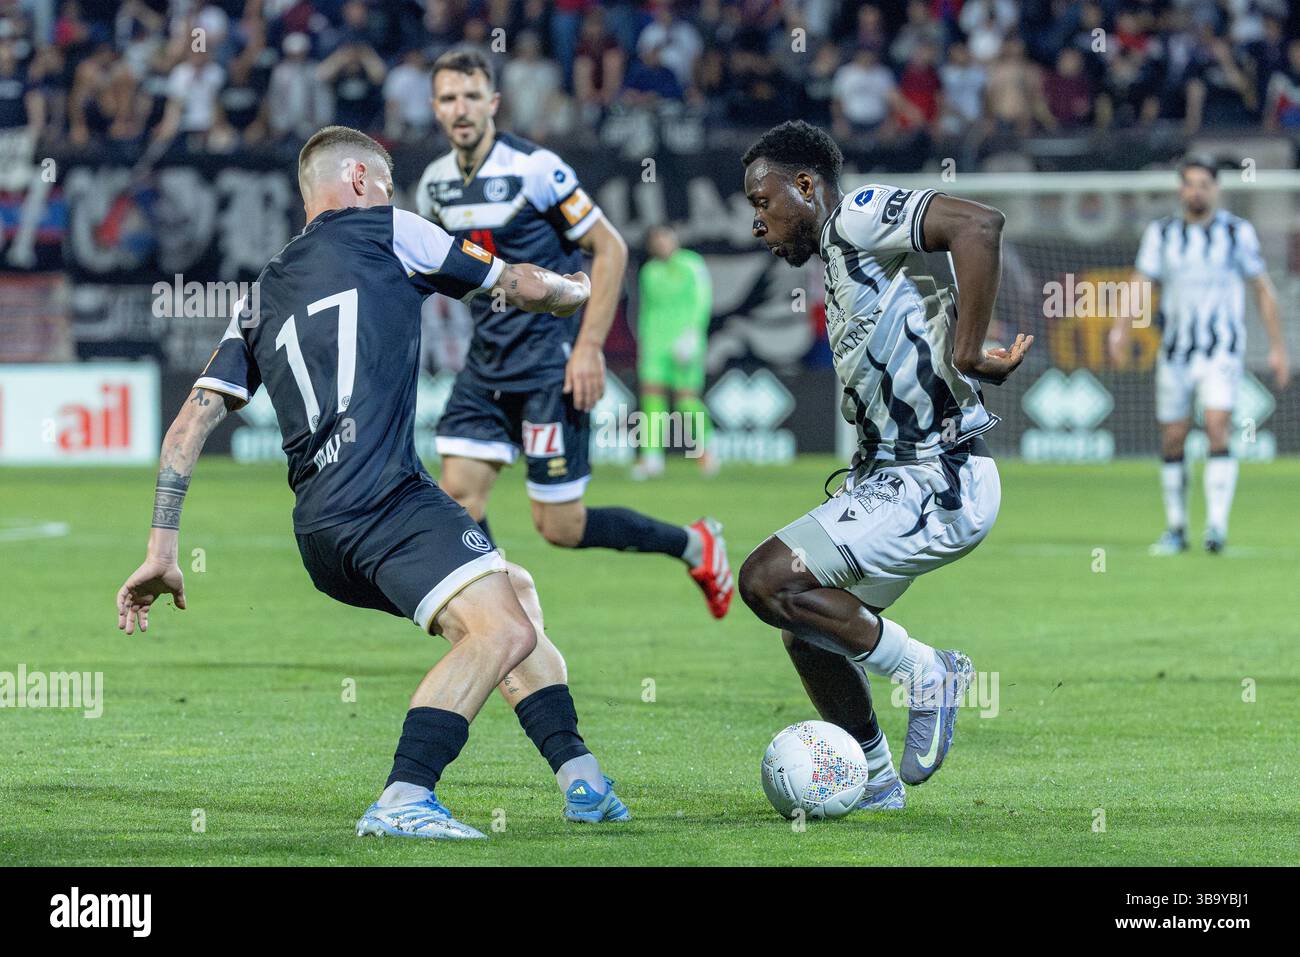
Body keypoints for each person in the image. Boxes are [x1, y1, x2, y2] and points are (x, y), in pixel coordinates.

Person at [115, 126, 630, 840]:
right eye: (389, 181)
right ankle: (405, 795)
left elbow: (186, 428)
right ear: (358, 177)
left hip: (322, 533)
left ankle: (583, 779)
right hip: (384, 499)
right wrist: (575, 289)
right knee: (500, 628)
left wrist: (161, 548)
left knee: (512, 595)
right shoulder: (389, 229)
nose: (394, 194)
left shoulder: (262, 292)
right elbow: (518, 283)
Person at [737, 121, 1033, 808]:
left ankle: (929, 673)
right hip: (900, 477)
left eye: (764, 201)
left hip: (939, 476)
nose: (760, 222)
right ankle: (874, 782)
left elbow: (978, 225)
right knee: (807, 630)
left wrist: (967, 350)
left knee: (764, 579)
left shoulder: (859, 217)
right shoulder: (839, 262)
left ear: (806, 185)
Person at [416, 47, 733, 620]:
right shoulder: (435, 186)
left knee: (560, 526)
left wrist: (587, 348)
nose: (459, 109)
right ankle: (502, 627)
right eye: (446, 98)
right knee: (459, 495)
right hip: (485, 363)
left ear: (492, 103)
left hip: (547, 364)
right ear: (435, 109)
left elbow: (609, 247)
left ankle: (694, 544)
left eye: (469, 96)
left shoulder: (537, 170)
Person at [1110, 155, 1289, 555]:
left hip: (1221, 350)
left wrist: (1278, 348)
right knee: (1173, 436)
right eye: (1190, 183)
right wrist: (1120, 329)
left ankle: (1216, 528)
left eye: (1204, 184)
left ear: (1216, 189)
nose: (1196, 190)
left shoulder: (1236, 232)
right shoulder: (1162, 234)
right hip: (1174, 352)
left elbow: (1262, 288)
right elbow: (1140, 283)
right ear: (1180, 189)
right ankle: (1176, 527)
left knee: (1216, 426)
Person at [631, 224, 717, 479]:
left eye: (665, 239)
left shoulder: (692, 264)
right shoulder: (649, 272)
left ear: (675, 239)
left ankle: (708, 450)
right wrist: (643, 341)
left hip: (685, 343)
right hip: (655, 344)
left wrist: (693, 334)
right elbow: (645, 309)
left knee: (686, 399)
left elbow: (703, 300)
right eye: (656, 241)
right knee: (651, 399)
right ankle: (651, 458)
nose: (662, 244)